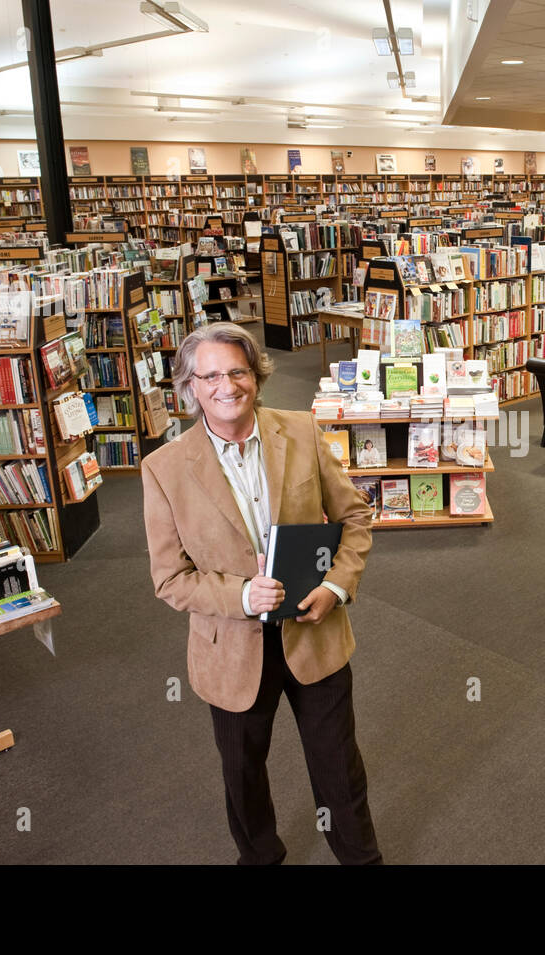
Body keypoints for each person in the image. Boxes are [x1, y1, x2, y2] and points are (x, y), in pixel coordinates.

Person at [142, 322, 380, 865]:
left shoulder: (299, 431)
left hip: (314, 631)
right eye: (210, 376)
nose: (226, 385)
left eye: (237, 371)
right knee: (244, 775)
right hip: (230, 649)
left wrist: (337, 586)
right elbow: (170, 578)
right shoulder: (163, 470)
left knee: (339, 769)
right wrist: (241, 597)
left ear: (255, 376)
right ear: (191, 387)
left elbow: (354, 517)